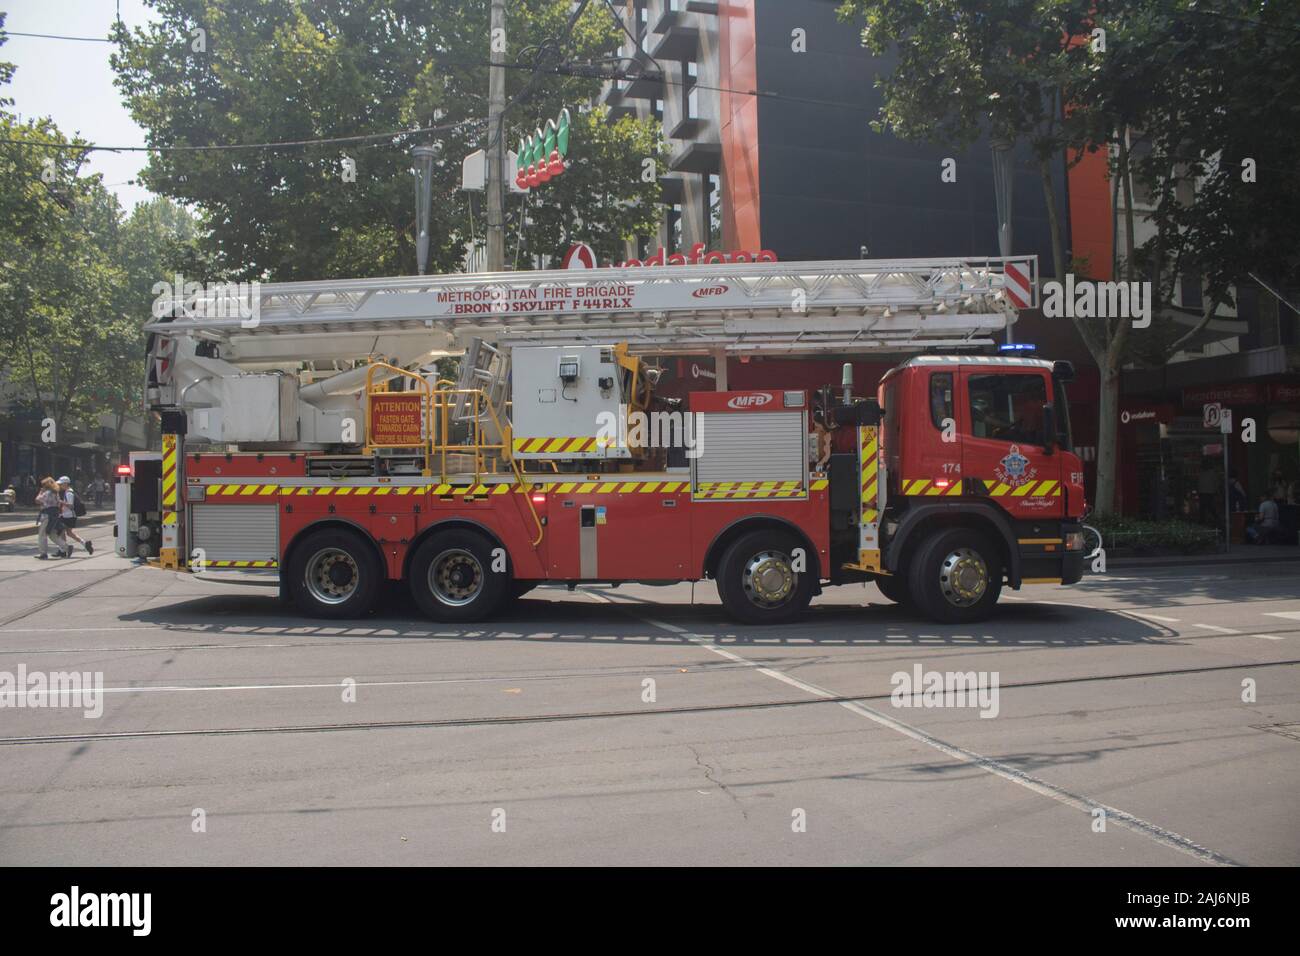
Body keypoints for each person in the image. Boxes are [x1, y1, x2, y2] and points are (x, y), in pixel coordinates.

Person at [57, 476, 93, 556]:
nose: (60, 486)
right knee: (68, 533)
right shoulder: (68, 492)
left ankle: (62, 550)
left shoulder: (69, 493)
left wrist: (60, 502)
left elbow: (71, 506)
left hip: (68, 516)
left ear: (66, 484)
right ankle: (84, 544)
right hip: (67, 516)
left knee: (61, 532)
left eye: (61, 484)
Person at [34, 476, 67, 560]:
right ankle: (66, 547)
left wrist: (40, 492)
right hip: (54, 515)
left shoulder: (47, 493)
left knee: (42, 535)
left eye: (43, 485)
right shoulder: (55, 493)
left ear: (46, 485)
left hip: (47, 515)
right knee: (52, 534)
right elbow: (58, 503)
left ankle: (43, 553)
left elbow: (37, 500)